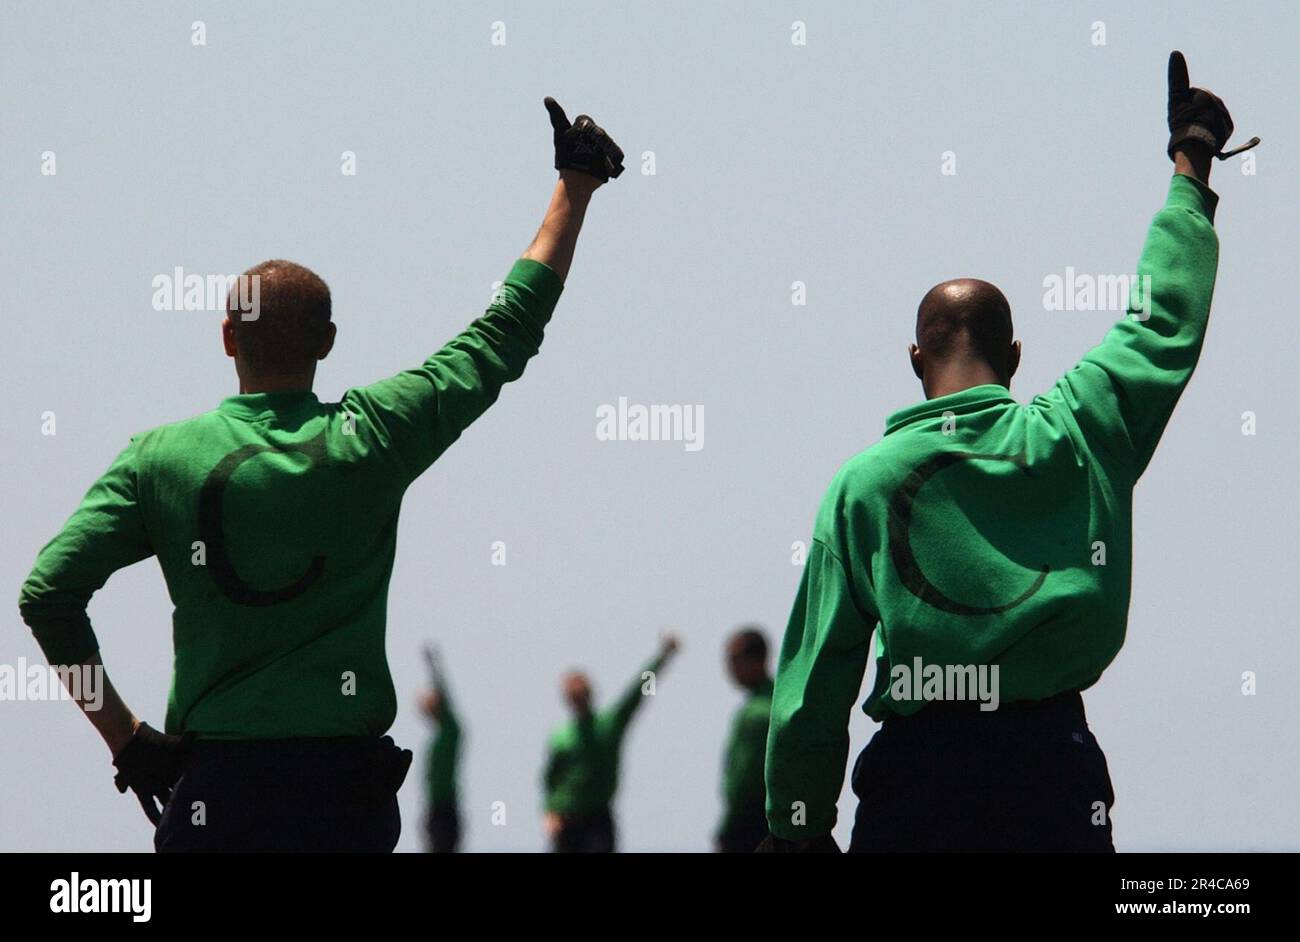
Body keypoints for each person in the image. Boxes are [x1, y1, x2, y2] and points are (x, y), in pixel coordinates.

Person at [18, 97, 624, 852]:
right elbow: (503, 332)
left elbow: (47, 594)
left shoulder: (157, 459)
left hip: (216, 798)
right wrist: (575, 186)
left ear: (226, 337)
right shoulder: (376, 433)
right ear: (329, 341)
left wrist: (127, 739)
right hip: (344, 800)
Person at [760, 52, 1257, 853]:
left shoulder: (859, 489)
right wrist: (1189, 163)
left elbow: (812, 696)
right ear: (1016, 355)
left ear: (916, 360)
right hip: (1051, 777)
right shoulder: (1081, 429)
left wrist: (796, 830)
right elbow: (1164, 320)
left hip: (914, 788)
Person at [542, 634, 679, 852]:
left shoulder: (608, 727)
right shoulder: (561, 738)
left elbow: (637, 693)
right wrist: (550, 813)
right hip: (566, 819)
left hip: (598, 818)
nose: (578, 701)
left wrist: (663, 657)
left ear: (590, 695)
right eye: (573, 697)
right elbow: (550, 781)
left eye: (581, 695)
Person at [715, 626, 774, 853]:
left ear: (756, 660)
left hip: (749, 824)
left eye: (734, 660)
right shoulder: (775, 702)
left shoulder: (757, 714)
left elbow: (743, 783)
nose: (729, 668)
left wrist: (727, 828)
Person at [419, 644, 462, 853]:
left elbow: (446, 696)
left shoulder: (450, 733)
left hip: (446, 806)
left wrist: (433, 666)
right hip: (435, 806)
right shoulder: (439, 739)